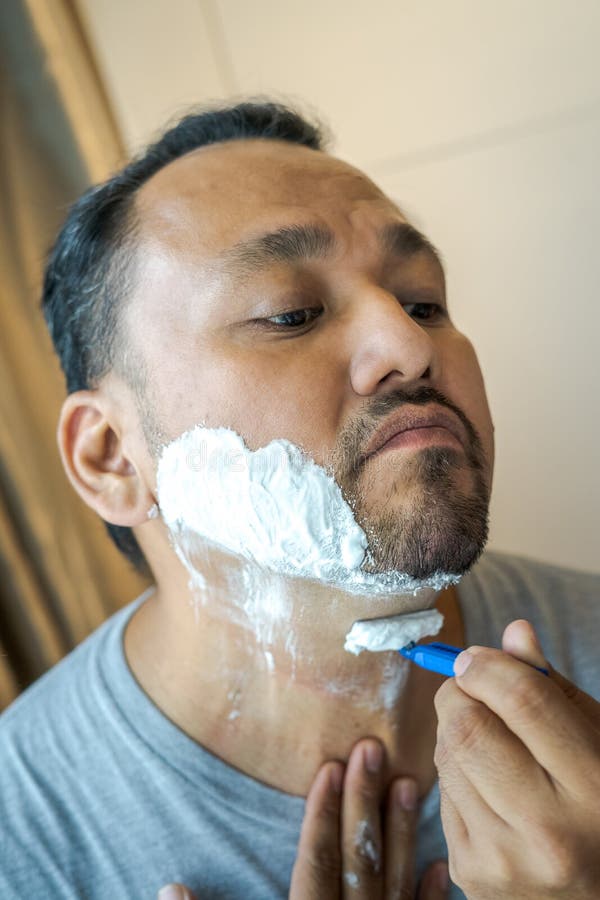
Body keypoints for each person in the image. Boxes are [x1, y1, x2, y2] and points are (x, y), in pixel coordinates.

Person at [0, 101, 598, 900]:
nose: (410, 346)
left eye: (423, 301)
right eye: (291, 313)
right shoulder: (22, 841)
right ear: (112, 458)